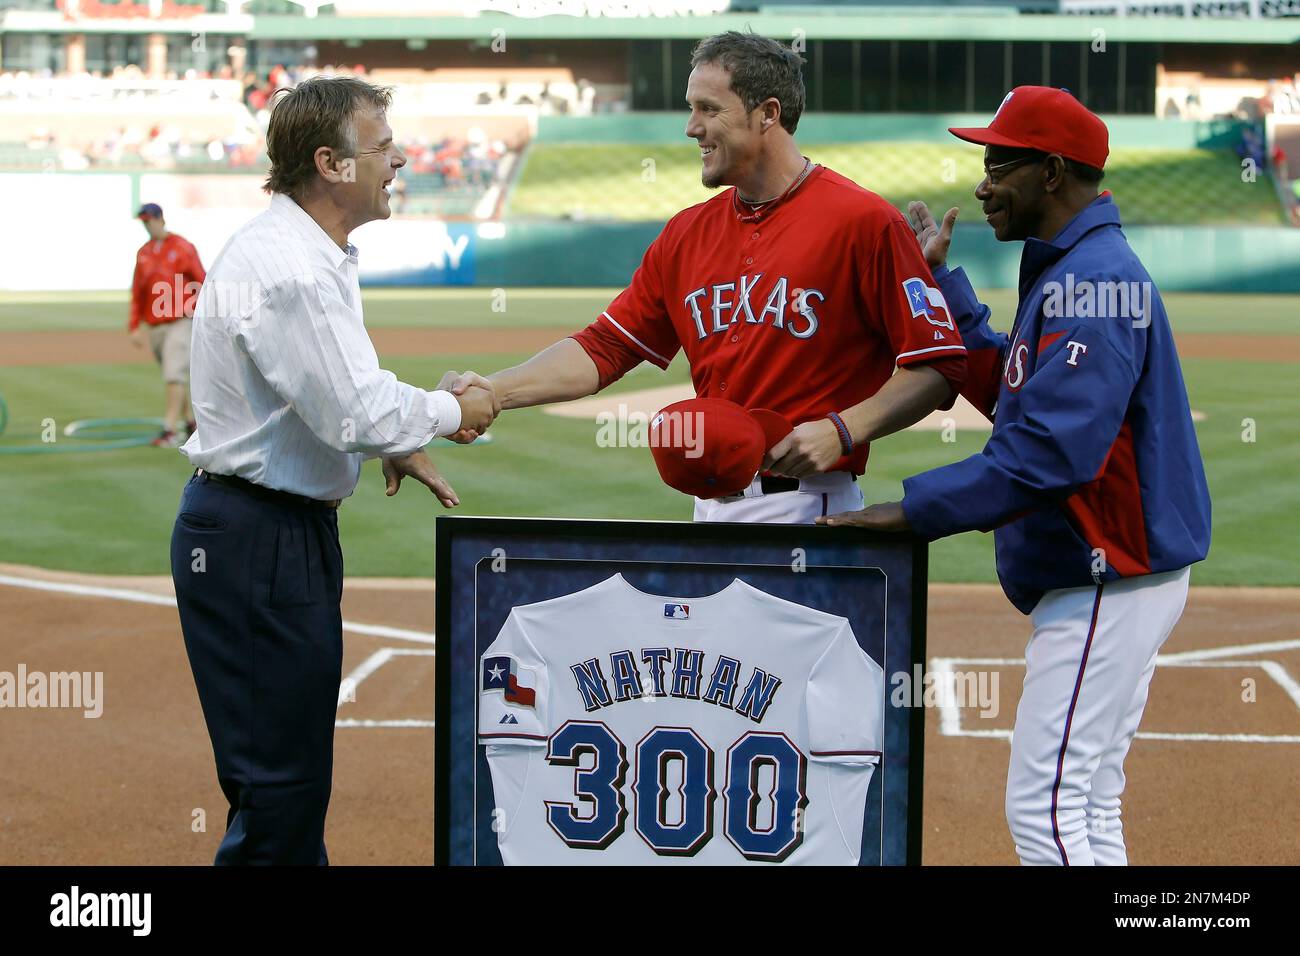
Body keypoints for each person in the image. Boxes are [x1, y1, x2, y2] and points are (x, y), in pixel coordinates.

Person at [818, 87, 1212, 865]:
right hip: (1118, 575)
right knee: (1090, 803)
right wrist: (945, 288)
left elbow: (1048, 454)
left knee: (1046, 808)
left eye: (999, 162)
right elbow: (1017, 393)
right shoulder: (1076, 267)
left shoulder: (1096, 281)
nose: (982, 182)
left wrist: (910, 512)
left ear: (1053, 172)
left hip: (1108, 574)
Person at [170, 76, 498, 865]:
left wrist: (387, 441)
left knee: (284, 787)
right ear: (330, 163)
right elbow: (355, 411)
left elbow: (315, 404)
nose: (398, 161)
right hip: (261, 538)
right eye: (383, 148)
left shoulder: (303, 251)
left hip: (267, 531)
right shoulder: (293, 267)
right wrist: (458, 412)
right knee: (280, 794)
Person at [447, 31, 967, 524]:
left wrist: (844, 430)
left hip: (811, 508)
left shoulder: (864, 222)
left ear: (768, 114)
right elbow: (604, 347)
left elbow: (937, 366)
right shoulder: (687, 233)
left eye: (708, 109)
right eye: (691, 108)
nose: (691, 127)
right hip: (709, 508)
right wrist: (494, 390)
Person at [129, 203, 205, 446]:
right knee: (175, 375)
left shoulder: (183, 247)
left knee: (174, 372)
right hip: (155, 325)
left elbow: (201, 280)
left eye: (149, 220)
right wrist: (134, 325)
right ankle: (190, 422)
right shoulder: (144, 253)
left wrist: (202, 313)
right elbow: (138, 292)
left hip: (180, 320)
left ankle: (169, 430)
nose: (147, 225)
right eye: (143, 221)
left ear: (161, 219)